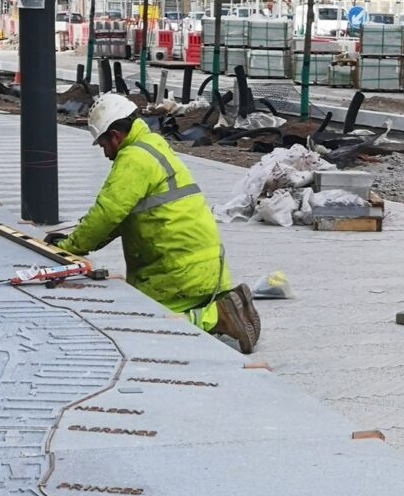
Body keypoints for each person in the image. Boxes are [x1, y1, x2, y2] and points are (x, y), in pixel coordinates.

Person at [52, 92, 259, 351]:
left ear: (115, 136)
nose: (105, 154)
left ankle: (218, 315)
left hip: (177, 273)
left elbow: (108, 213)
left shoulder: (134, 158)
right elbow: (119, 217)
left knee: (146, 322)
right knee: (158, 312)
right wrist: (78, 240)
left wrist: (70, 247)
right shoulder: (153, 144)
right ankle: (226, 305)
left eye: (103, 145)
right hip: (200, 265)